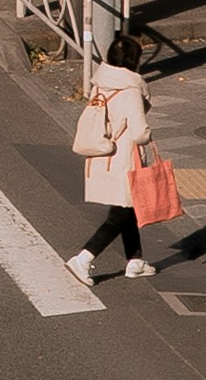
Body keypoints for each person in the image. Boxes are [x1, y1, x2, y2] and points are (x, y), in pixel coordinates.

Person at [68, 47, 163, 282]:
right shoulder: (131, 90)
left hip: (103, 156)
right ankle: (84, 258)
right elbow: (140, 132)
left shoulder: (101, 83)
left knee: (128, 208)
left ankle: (135, 260)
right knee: (120, 214)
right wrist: (148, 134)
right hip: (124, 159)